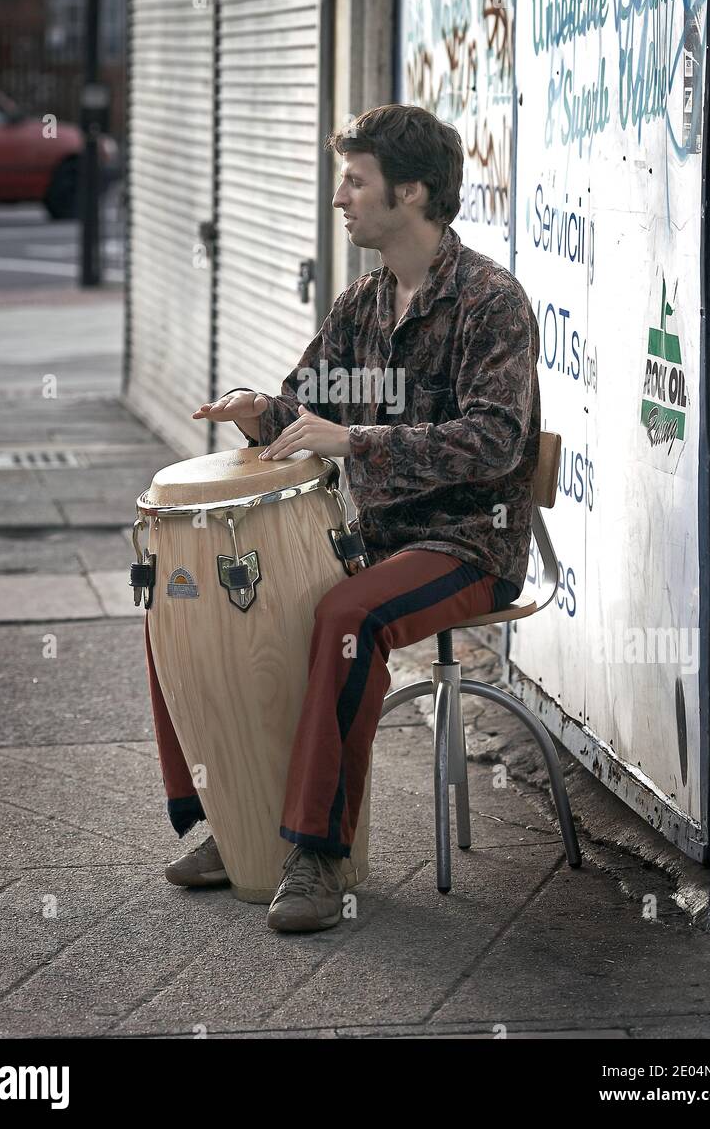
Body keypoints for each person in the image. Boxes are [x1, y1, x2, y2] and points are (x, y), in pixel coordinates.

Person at [151, 103, 541, 934]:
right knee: (187, 602)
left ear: (411, 192)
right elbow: (308, 403)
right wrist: (261, 410)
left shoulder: (490, 301)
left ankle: (317, 855)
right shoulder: (364, 300)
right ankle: (238, 823)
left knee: (343, 617)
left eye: (355, 181)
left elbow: (497, 444)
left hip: (468, 542)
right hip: (369, 539)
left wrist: (355, 439)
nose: (340, 197)